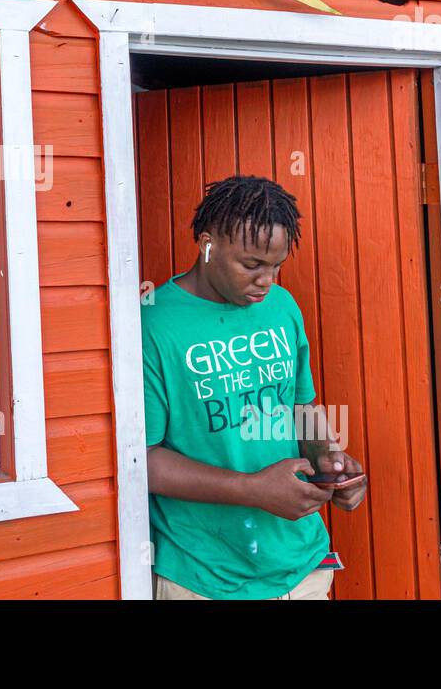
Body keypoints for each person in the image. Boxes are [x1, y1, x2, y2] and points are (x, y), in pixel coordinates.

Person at [143, 174, 366, 600]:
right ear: (207, 245)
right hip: (204, 577)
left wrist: (330, 462)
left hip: (302, 569)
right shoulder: (153, 323)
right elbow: (145, 461)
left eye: (277, 265)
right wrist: (251, 490)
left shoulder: (281, 307)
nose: (267, 280)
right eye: (252, 265)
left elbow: (302, 407)